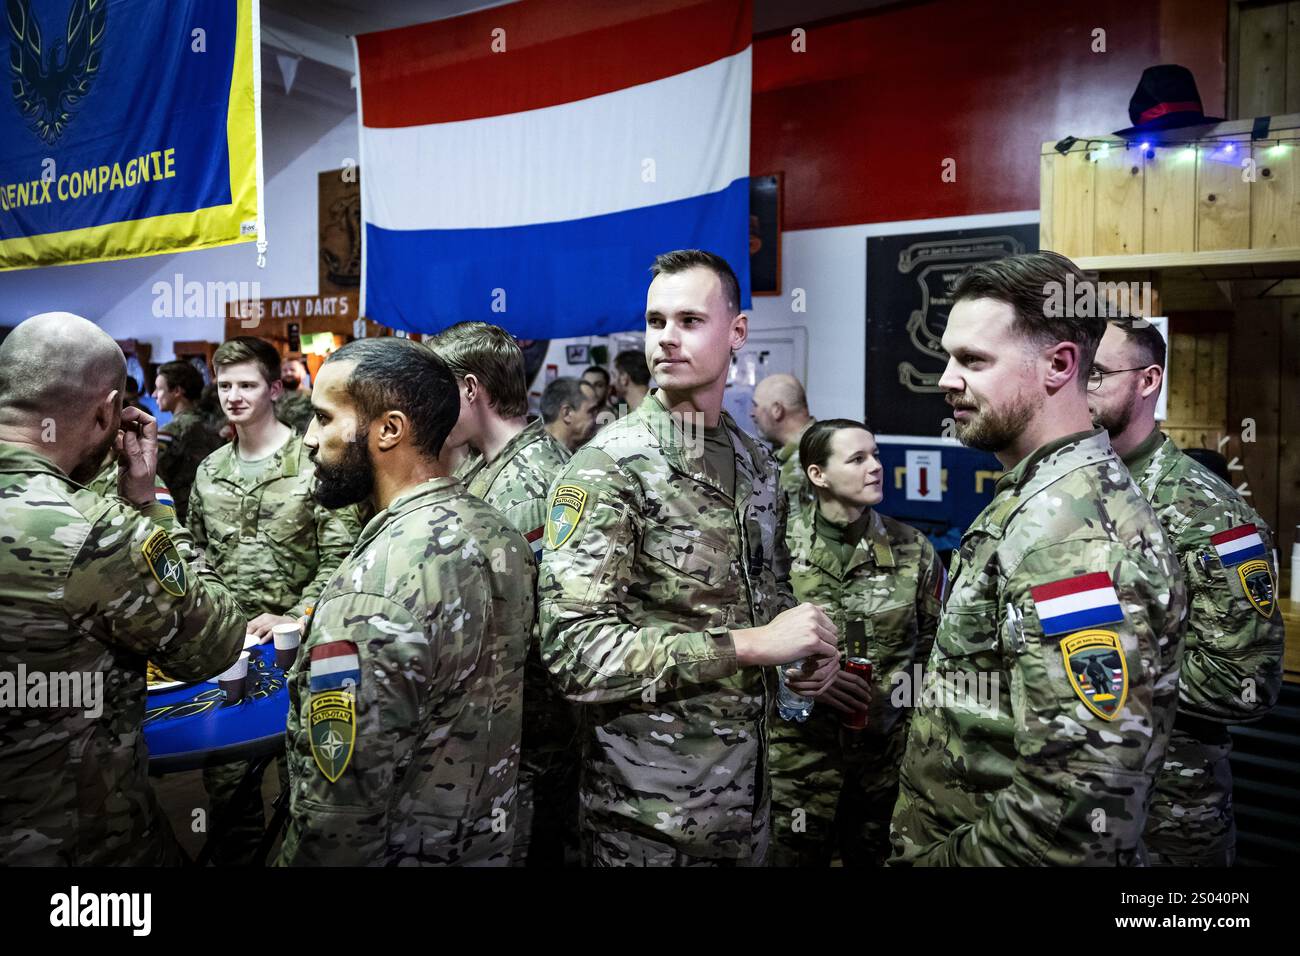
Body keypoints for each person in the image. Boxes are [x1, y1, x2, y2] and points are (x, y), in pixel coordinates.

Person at [538, 249, 840, 866]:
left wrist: (801, 661)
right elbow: (574, 652)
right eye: (655, 322)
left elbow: (768, 600)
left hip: (747, 802)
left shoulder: (757, 464)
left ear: (737, 332)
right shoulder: (610, 468)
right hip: (648, 819)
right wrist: (753, 646)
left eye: (689, 321)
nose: (667, 339)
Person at [888, 251, 1187, 866]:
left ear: (1058, 365)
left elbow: (1074, 813)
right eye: (949, 356)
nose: (946, 379)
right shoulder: (1044, 498)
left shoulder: (1068, 539)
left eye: (973, 360)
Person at [0, 313, 246, 865]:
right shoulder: (94, 532)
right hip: (76, 843)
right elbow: (216, 643)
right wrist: (147, 505)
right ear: (109, 409)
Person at [279, 338, 534, 865]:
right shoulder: (496, 530)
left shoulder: (369, 596)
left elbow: (339, 821)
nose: (308, 439)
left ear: (389, 430)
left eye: (323, 419)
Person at [1089, 318, 1284, 866]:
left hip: (1167, 814)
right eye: (1076, 371)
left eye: (1098, 374)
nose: (1080, 389)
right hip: (1074, 800)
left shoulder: (1208, 512)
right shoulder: (1071, 490)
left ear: (1148, 380)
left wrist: (1099, 672)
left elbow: (1245, 681)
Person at [188, 336, 362, 866]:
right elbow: (194, 555)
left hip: (298, 654)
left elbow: (340, 560)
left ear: (273, 387)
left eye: (247, 384)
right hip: (230, 658)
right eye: (224, 386)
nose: (234, 396)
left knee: (304, 797)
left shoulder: (313, 463)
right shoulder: (209, 471)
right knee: (228, 801)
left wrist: (296, 615)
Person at [428, 322, 578, 866]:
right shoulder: (482, 467)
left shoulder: (535, 484)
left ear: (470, 390)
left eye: (439, 390)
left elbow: (541, 633)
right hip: (497, 737)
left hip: (529, 741)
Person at [768, 419, 943, 867]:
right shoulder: (778, 549)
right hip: (797, 761)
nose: (875, 468)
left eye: (876, 456)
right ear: (817, 475)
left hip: (884, 766)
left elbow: (932, 653)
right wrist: (799, 684)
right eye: (857, 459)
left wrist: (907, 727)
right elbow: (750, 646)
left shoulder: (913, 549)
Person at [152, 359, 224, 522]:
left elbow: (150, 475)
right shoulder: (213, 425)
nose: (154, 394)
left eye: (159, 388)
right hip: (210, 514)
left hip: (178, 516)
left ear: (177, 391)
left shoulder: (171, 431)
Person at [751, 373, 816, 517]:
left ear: (777, 410)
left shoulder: (816, 454)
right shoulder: (783, 454)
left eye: (756, 406)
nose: (752, 414)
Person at [541, 377, 600, 453]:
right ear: (567, 414)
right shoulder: (538, 457)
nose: (597, 418)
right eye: (591, 411)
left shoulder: (579, 455)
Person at [276, 356, 315, 434]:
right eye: (285, 370)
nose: (288, 373)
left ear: (302, 373)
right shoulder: (273, 398)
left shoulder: (313, 397)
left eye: (292, 370)